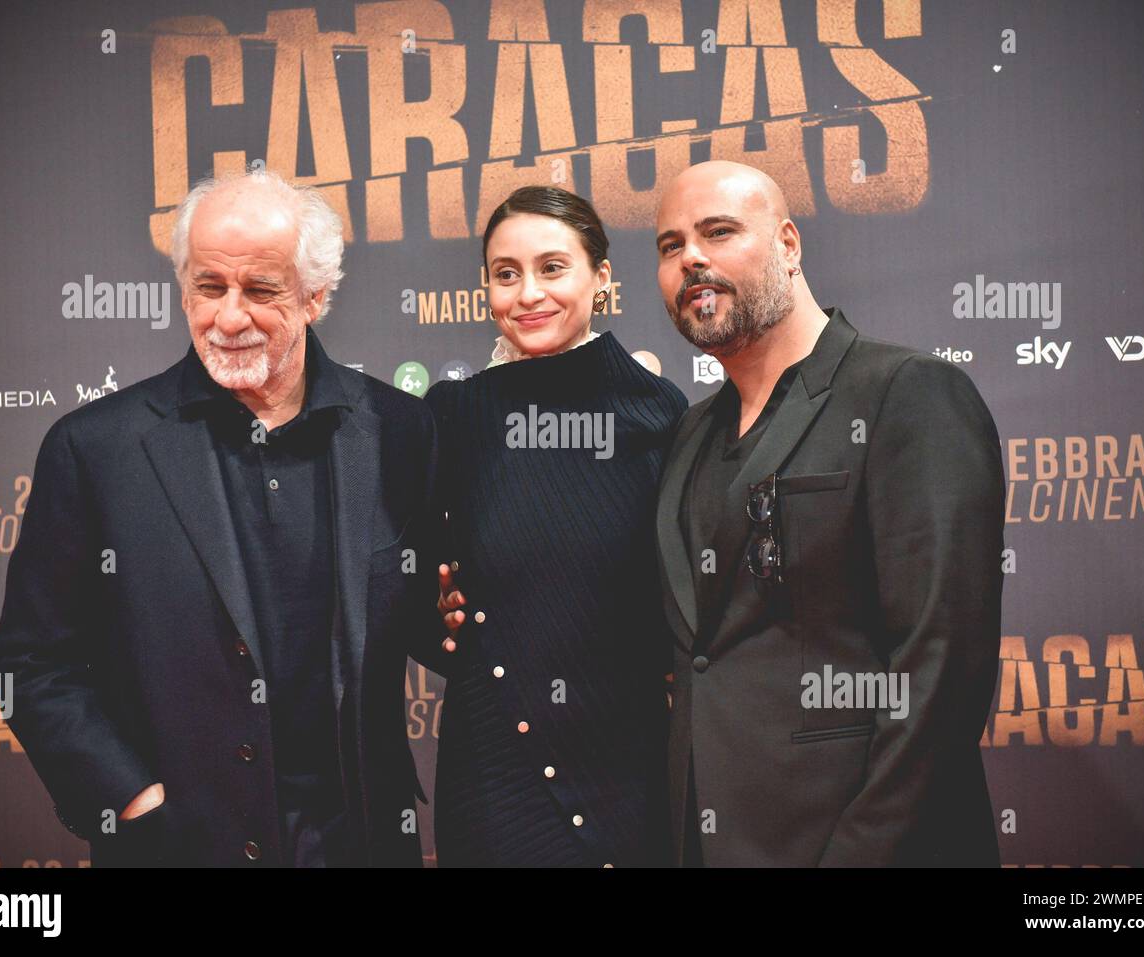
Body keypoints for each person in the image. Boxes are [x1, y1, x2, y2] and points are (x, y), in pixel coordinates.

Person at [0, 169, 435, 867]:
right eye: (208, 287)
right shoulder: (97, 448)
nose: (229, 317)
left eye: (260, 290)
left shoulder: (399, 430)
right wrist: (132, 797)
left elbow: (437, 611)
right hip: (179, 847)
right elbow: (29, 662)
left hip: (361, 844)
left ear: (316, 296)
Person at [653, 160, 1005, 866]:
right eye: (669, 246)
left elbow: (941, 668)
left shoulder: (906, 394)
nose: (691, 256)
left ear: (788, 245)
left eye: (718, 231)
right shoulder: (689, 432)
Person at [416, 185, 687, 867]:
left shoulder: (657, 412)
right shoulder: (451, 415)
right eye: (506, 274)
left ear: (600, 277)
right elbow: (408, 584)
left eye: (552, 267)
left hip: (628, 762)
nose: (528, 292)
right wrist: (439, 614)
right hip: (494, 765)